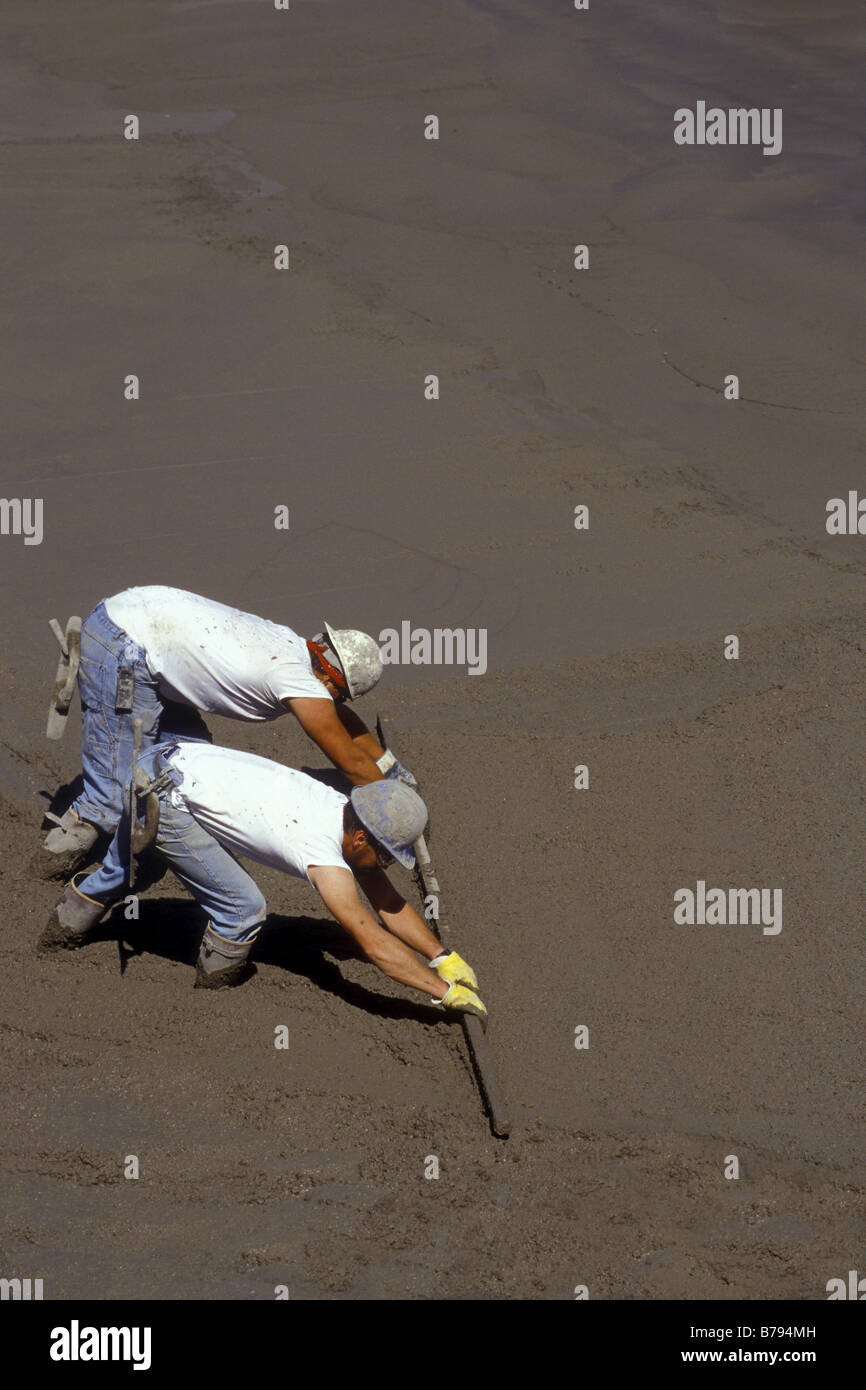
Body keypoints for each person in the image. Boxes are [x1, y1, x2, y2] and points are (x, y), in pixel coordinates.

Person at [39, 739, 487, 1025]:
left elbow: (387, 902)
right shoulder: (324, 854)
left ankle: (56, 937)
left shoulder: (345, 809)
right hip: (167, 796)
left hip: (159, 759)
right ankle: (211, 1003)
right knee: (243, 909)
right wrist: (441, 993)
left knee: (121, 868)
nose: (386, 864)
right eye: (386, 853)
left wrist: (442, 956)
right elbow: (369, 939)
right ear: (359, 836)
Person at [38, 586, 413, 878]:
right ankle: (48, 865)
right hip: (123, 648)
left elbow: (344, 722)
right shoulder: (301, 683)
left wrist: (389, 766)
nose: (336, 704)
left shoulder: (294, 647)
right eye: (340, 697)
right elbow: (349, 762)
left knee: (187, 760)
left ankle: (166, 834)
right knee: (109, 799)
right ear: (335, 685)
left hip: (139, 616)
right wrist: (395, 808)